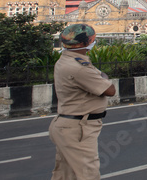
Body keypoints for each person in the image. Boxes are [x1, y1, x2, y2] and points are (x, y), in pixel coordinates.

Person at [49, 24, 116, 180]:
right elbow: (110, 90)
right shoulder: (80, 68)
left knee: (66, 174)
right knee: (88, 174)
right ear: (87, 43)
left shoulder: (66, 60)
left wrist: (99, 78)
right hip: (78, 129)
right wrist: (102, 78)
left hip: (66, 125)